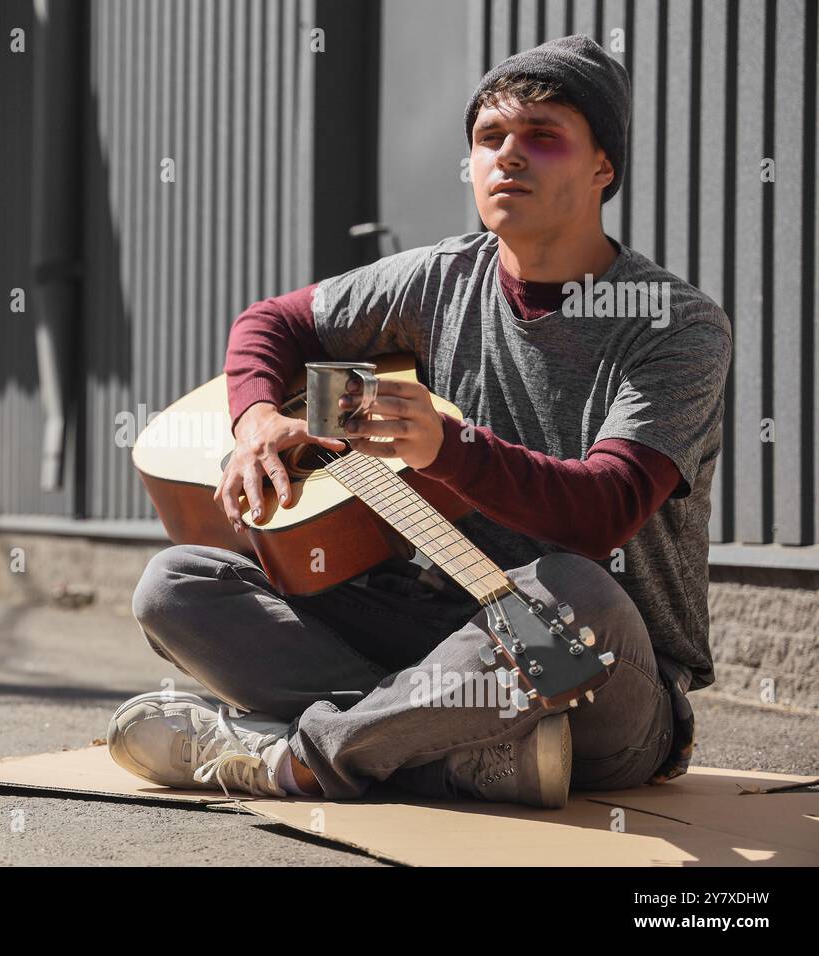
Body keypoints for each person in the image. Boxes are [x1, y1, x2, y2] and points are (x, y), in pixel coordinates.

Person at [107, 35, 732, 806]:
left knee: (574, 590)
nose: (508, 156)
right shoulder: (440, 278)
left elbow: (601, 514)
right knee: (176, 584)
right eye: (488, 138)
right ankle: (449, 754)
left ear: (603, 167)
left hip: (604, 684)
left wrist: (450, 448)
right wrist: (258, 418)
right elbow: (272, 322)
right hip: (440, 633)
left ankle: (295, 763)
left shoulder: (676, 326)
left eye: (543, 136)